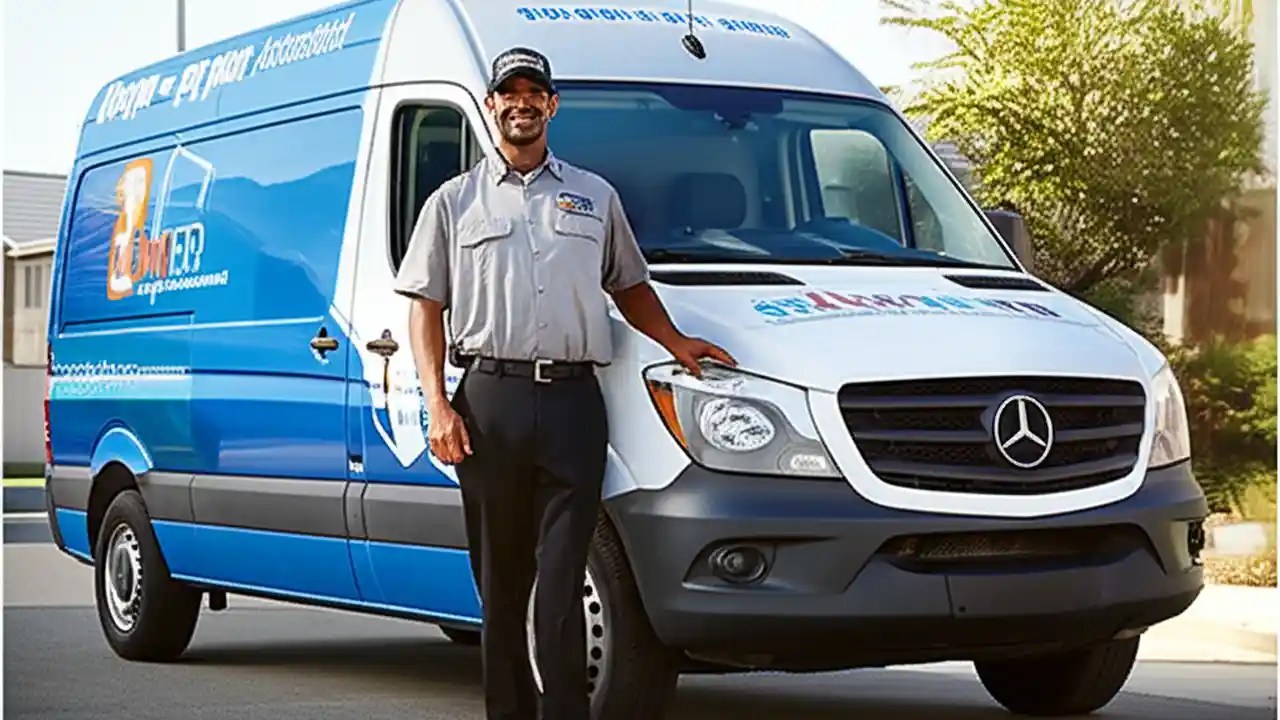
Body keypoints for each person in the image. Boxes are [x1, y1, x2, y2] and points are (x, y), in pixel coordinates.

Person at [393, 46, 735, 720]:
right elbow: (424, 307)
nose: (521, 102)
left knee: (560, 584)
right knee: (502, 584)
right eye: (508, 92)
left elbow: (629, 285)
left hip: (576, 404)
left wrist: (675, 342)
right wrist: (437, 404)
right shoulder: (452, 202)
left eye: (534, 92)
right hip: (490, 404)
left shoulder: (594, 196)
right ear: (491, 105)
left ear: (552, 105)